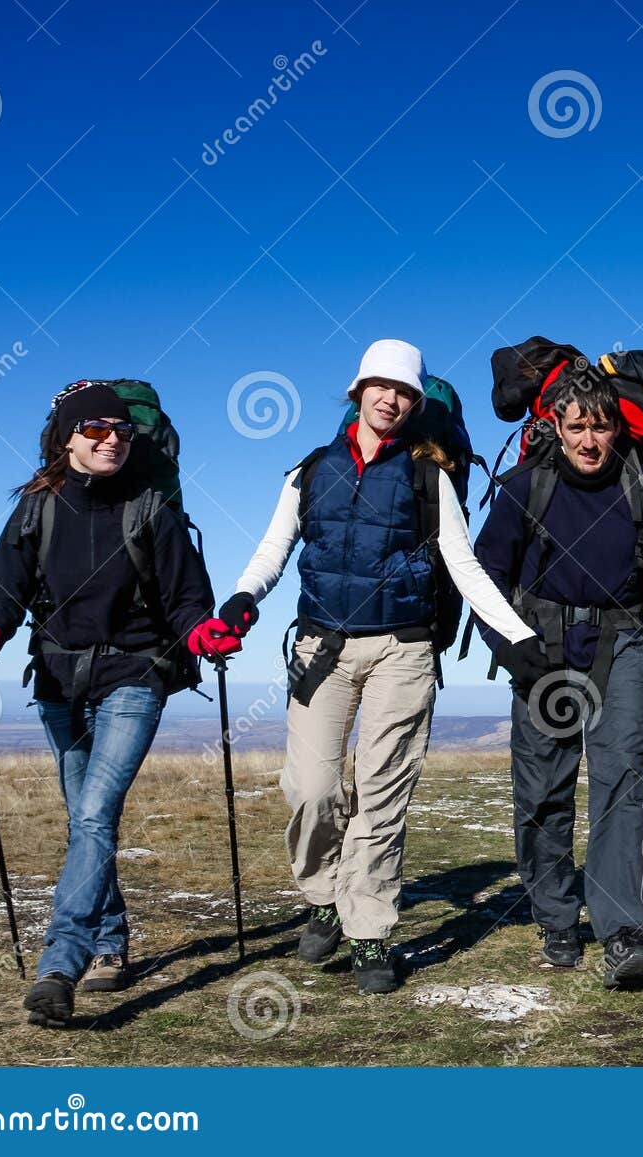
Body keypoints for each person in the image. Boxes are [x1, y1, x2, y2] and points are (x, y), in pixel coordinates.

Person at [220, 339, 543, 995]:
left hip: (403, 648)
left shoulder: (429, 478)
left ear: (414, 403)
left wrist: (517, 638)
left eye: (403, 392)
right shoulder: (311, 470)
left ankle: (369, 931)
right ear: (358, 391)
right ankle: (323, 896)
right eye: (380, 386)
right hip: (321, 647)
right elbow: (272, 550)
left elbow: (463, 565)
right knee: (310, 788)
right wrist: (241, 599)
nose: (390, 399)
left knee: (382, 792)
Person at [0, 381, 232, 1027]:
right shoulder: (35, 510)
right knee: (85, 820)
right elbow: (3, 596)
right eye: (96, 429)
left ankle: (60, 964)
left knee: (96, 815)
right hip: (58, 682)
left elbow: (187, 600)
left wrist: (202, 634)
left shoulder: (150, 509)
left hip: (134, 676)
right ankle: (110, 942)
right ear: (66, 438)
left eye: (122, 431)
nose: (112, 440)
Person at [474, 372, 643, 989]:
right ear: (557, 426)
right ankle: (556, 918)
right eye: (577, 427)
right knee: (542, 789)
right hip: (540, 648)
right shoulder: (525, 486)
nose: (589, 441)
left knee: (623, 784)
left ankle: (625, 932)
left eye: (600, 426)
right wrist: (509, 648)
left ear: (617, 427)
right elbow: (484, 576)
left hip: (622, 646)